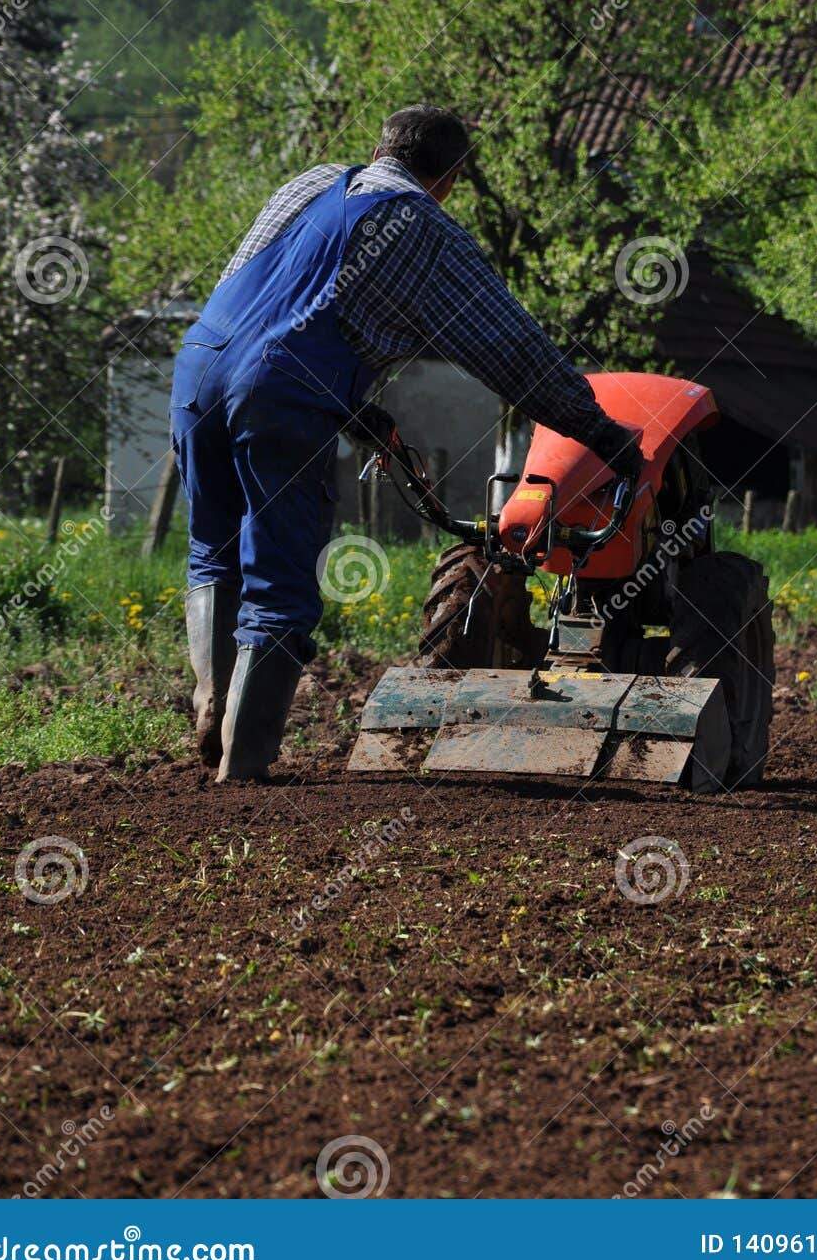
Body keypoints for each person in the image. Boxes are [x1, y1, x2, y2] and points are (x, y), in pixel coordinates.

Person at [171, 103, 644, 783]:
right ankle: (241, 770)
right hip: (280, 391)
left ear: (382, 146)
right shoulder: (423, 228)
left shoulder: (311, 182)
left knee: (211, 551)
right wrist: (598, 431)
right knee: (279, 583)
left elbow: (264, 298)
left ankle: (211, 702)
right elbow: (514, 354)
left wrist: (347, 404)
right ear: (450, 178)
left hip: (199, 365)